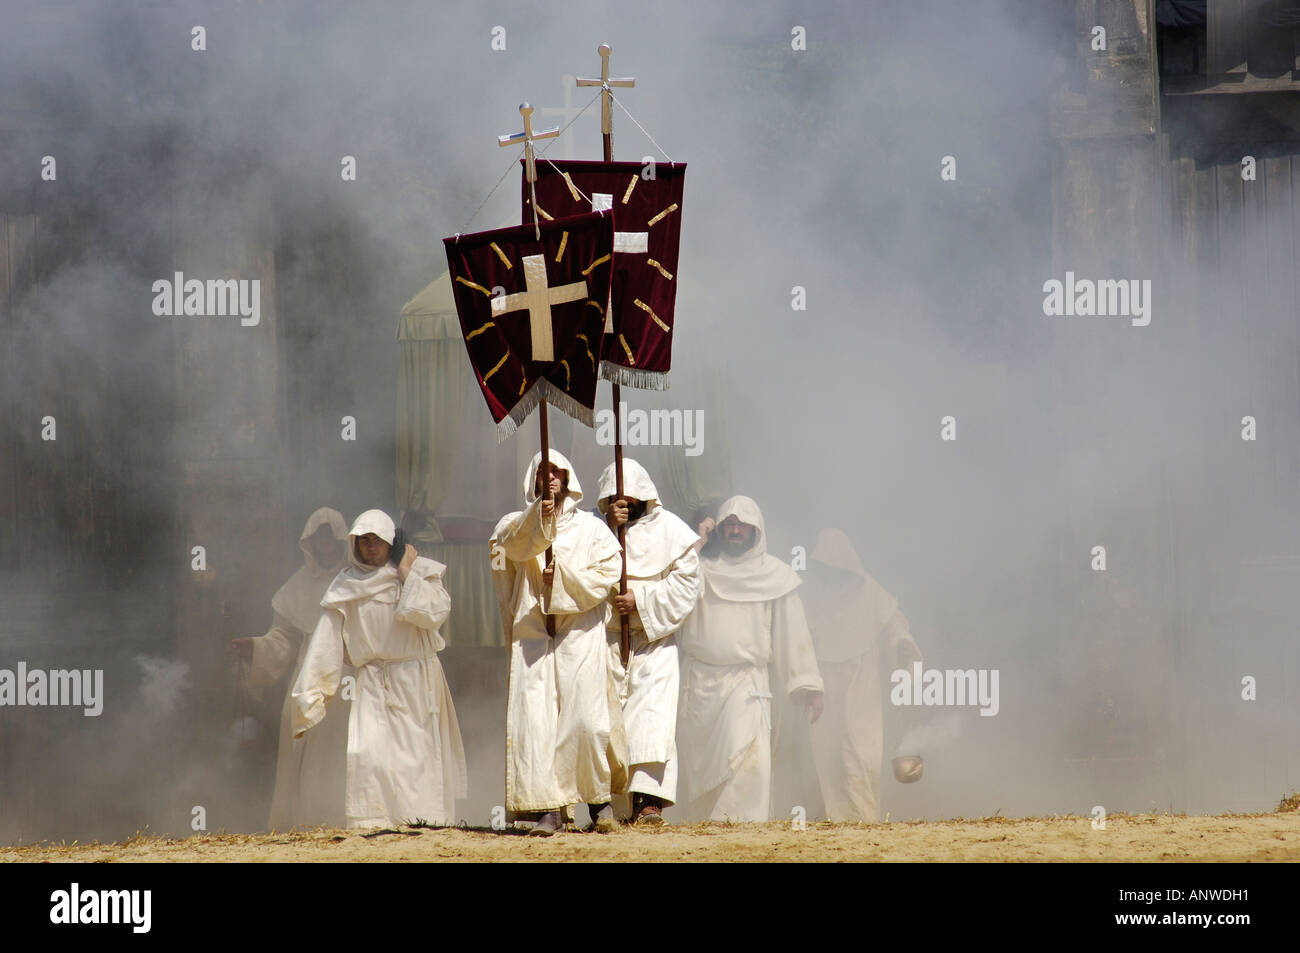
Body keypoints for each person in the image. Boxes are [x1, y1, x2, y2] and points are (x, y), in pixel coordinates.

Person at [291, 509, 466, 829]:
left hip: (415, 679)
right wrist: (311, 698)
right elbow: (325, 643)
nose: (371, 546)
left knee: (415, 758)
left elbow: (434, 613)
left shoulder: (418, 572)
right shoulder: (344, 585)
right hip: (371, 680)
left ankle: (421, 822)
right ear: (354, 543)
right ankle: (376, 822)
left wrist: (405, 573)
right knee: (368, 753)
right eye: (364, 540)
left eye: (378, 540)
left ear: (390, 543)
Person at [490, 450, 626, 836]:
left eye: (556, 471)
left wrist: (562, 580)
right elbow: (510, 549)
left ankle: (598, 803)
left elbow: (607, 575)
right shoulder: (513, 524)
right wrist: (541, 521)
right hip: (534, 634)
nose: (550, 477)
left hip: (580, 630)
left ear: (567, 478)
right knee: (538, 723)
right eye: (543, 472)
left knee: (584, 718)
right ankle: (549, 810)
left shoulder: (593, 530)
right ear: (532, 479)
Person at [677, 495, 824, 821]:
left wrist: (808, 685)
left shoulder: (776, 577)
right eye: (729, 524)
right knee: (703, 775)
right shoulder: (699, 571)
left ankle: (743, 838)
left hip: (747, 686)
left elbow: (793, 634)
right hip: (700, 687)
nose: (735, 530)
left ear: (756, 530)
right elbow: (670, 595)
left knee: (746, 762)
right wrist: (699, 543)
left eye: (742, 525)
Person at [230, 507, 351, 830]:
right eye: (318, 538)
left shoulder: (358, 578)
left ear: (341, 540)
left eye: (330, 537)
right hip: (308, 676)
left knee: (342, 748)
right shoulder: (298, 585)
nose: (325, 544)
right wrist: (256, 648)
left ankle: (343, 820)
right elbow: (283, 638)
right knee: (300, 735)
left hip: (349, 676)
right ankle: (305, 822)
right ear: (310, 542)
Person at [596, 459, 701, 825]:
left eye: (628, 495)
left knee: (651, 721)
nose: (623, 500)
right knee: (611, 724)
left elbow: (687, 585)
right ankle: (616, 808)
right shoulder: (597, 533)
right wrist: (610, 530)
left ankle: (649, 802)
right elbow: (581, 575)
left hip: (654, 642)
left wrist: (639, 601)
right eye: (615, 496)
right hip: (609, 643)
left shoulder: (672, 531)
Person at [801, 528, 923, 822]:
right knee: (828, 759)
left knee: (862, 756)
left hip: (861, 683)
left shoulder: (869, 591)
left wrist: (903, 645)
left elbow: (893, 625)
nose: (831, 574)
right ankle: (837, 822)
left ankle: (865, 822)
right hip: (822, 684)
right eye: (825, 568)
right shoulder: (807, 593)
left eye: (836, 568)